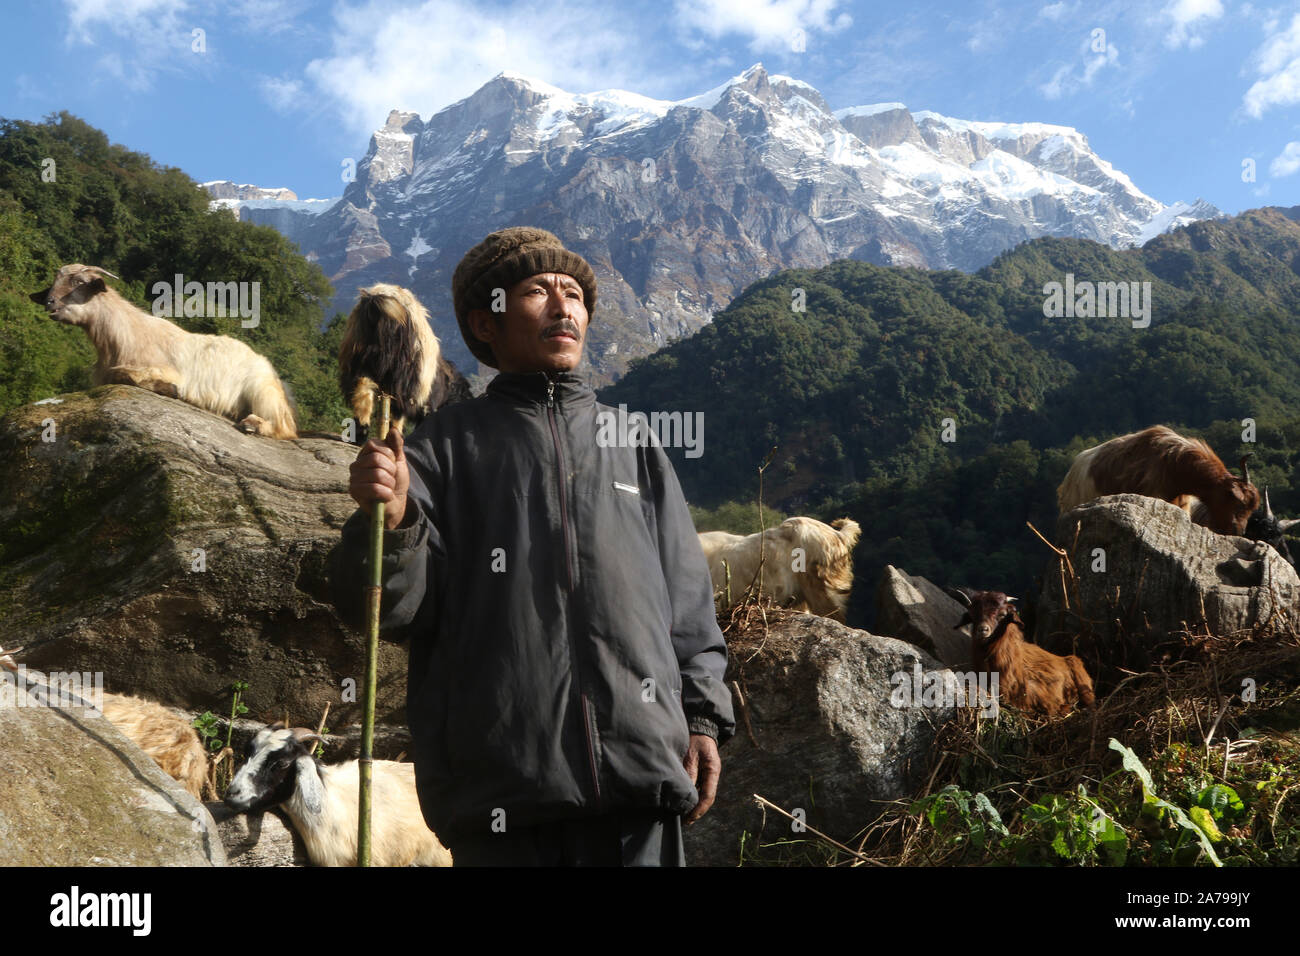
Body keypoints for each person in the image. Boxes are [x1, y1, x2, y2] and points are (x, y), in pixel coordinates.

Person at [331, 226, 735, 866]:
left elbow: (688, 606)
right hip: (504, 797)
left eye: (573, 294)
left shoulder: (633, 443)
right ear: (484, 324)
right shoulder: (442, 449)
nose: (563, 307)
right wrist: (396, 516)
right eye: (537, 291)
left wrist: (706, 720)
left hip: (640, 792)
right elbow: (387, 607)